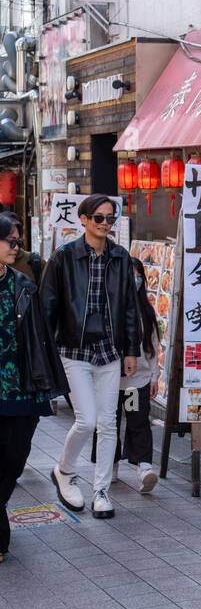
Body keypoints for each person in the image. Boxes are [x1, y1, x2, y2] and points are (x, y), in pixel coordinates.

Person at [40, 195, 140, 520]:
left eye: (111, 219)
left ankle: (101, 491)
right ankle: (64, 470)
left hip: (109, 350)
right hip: (74, 349)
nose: (105, 225)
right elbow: (48, 307)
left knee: (109, 423)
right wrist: (44, 351)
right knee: (88, 420)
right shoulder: (64, 257)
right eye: (99, 218)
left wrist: (131, 350)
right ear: (83, 219)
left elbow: (129, 307)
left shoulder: (121, 258)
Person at [0, 213, 69, 563]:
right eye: (11, 241)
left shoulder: (23, 285)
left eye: (18, 241)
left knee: (14, 459)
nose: (17, 248)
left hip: (21, 389)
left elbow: (40, 338)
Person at [91, 257, 160, 494]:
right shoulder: (105, 307)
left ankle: (144, 467)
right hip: (109, 381)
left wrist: (154, 376)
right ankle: (110, 466)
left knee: (137, 420)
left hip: (135, 382)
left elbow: (153, 346)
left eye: (138, 274)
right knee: (109, 423)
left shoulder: (146, 311)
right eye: (130, 275)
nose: (135, 279)